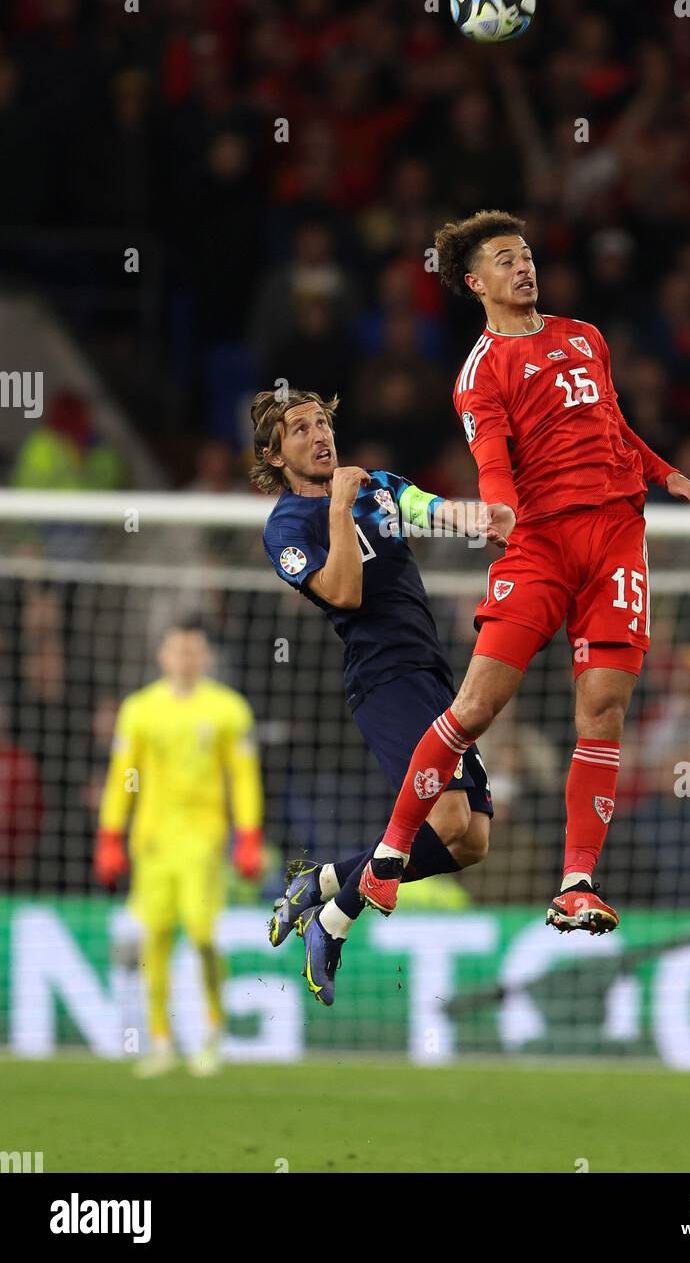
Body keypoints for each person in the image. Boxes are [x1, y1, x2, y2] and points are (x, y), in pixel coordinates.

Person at [358, 210, 690, 933]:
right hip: (539, 542)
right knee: (477, 708)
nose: (523, 267)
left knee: (605, 711)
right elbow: (492, 460)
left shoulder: (585, 337)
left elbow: (613, 428)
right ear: (475, 281)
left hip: (617, 535)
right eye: (504, 259)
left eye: (526, 255)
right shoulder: (480, 371)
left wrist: (667, 473)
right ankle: (390, 851)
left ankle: (577, 883)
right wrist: (495, 509)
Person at [252, 386, 501, 1005]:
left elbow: (438, 510)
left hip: (434, 672)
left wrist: (486, 519)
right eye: (300, 429)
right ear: (276, 456)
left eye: (322, 422)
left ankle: (324, 885)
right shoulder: (286, 526)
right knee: (445, 820)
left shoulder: (379, 486)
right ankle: (333, 918)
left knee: (471, 841)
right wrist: (338, 507)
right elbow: (343, 593)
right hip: (385, 679)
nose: (319, 435)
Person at [93, 619, 265, 1076]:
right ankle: (161, 1042)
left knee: (204, 935)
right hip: (152, 840)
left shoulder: (228, 710)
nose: (186, 660)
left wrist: (248, 836)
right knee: (156, 938)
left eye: (194, 652)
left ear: (205, 657)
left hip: (204, 840)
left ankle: (212, 1031)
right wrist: (110, 835)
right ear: (163, 656)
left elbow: (243, 777)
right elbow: (121, 776)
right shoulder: (140, 710)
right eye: (178, 651)